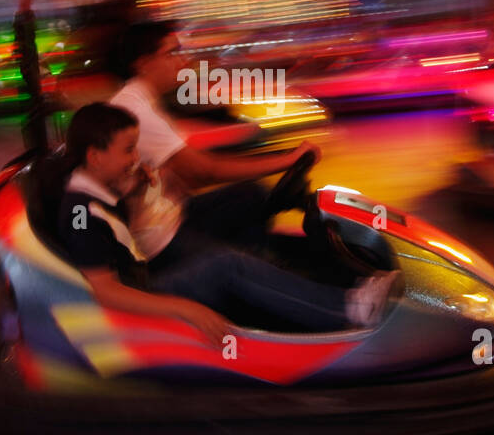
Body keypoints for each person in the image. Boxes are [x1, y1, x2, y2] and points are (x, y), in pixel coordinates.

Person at [57, 103, 400, 343]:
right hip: (139, 296)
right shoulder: (82, 214)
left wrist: (134, 184)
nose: (136, 158)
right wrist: (185, 308)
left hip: (144, 276)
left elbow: (119, 224)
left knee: (245, 212)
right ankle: (349, 310)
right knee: (226, 265)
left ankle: (295, 298)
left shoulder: (97, 185)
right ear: (95, 155)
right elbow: (105, 292)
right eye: (129, 151)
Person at [108, 20, 316, 269]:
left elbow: (193, 167)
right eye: (171, 53)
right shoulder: (136, 111)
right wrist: (288, 160)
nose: (181, 61)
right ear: (143, 63)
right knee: (248, 254)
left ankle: (267, 264)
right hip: (161, 239)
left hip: (172, 216)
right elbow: (204, 171)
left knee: (252, 195)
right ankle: (263, 274)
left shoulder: (144, 102)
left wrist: (241, 136)